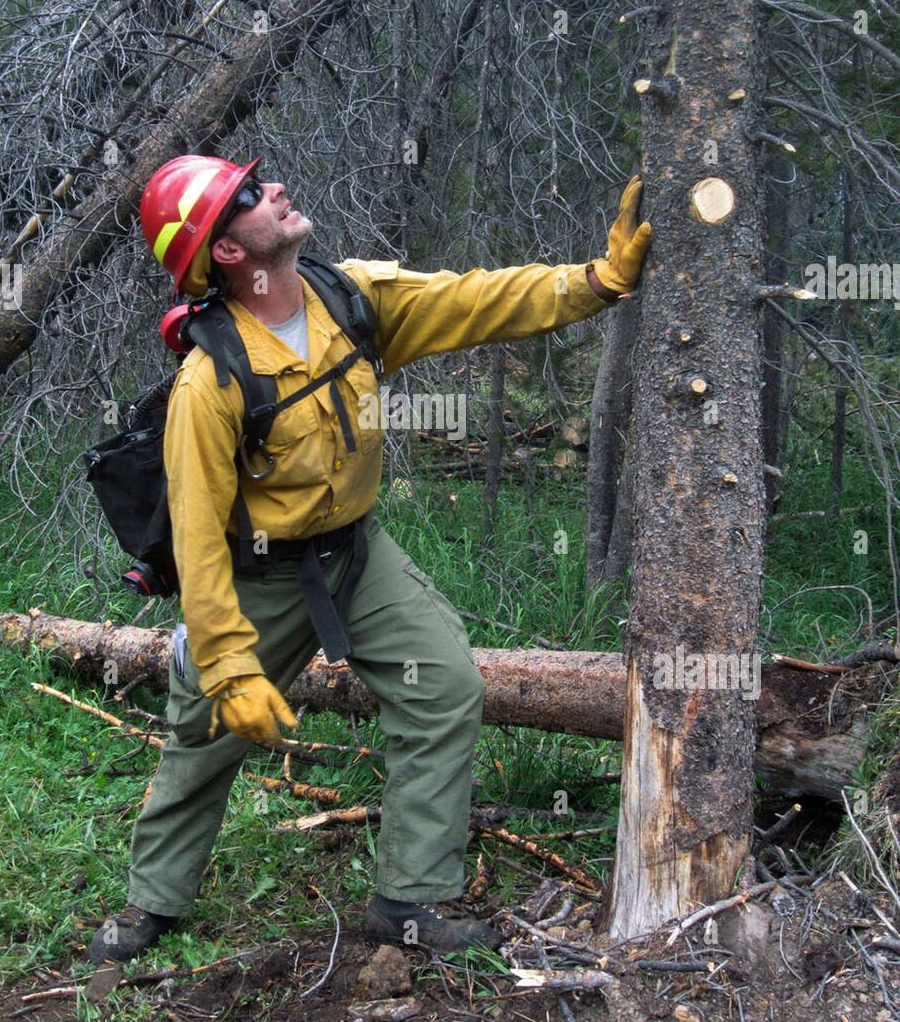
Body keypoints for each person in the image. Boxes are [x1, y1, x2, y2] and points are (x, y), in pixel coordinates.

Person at [88, 155, 650, 962]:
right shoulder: (209, 382)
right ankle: (151, 907)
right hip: (253, 574)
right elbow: (198, 538)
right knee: (207, 733)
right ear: (226, 253)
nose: (274, 190)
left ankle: (407, 901)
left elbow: (474, 301)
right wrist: (229, 665)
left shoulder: (349, 299)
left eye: (263, 181)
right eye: (248, 197)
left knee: (445, 687)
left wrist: (594, 281)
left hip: (354, 553)